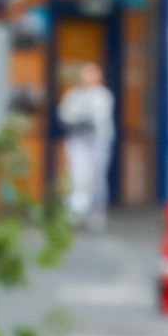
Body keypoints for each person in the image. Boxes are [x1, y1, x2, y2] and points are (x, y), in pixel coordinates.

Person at [58, 62, 116, 228]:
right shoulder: (74, 94)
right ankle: (76, 211)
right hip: (78, 141)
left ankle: (96, 212)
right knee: (78, 175)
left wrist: (80, 120)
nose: (86, 78)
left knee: (96, 177)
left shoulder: (102, 95)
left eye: (91, 75)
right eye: (84, 75)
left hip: (97, 142)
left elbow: (96, 118)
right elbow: (65, 115)